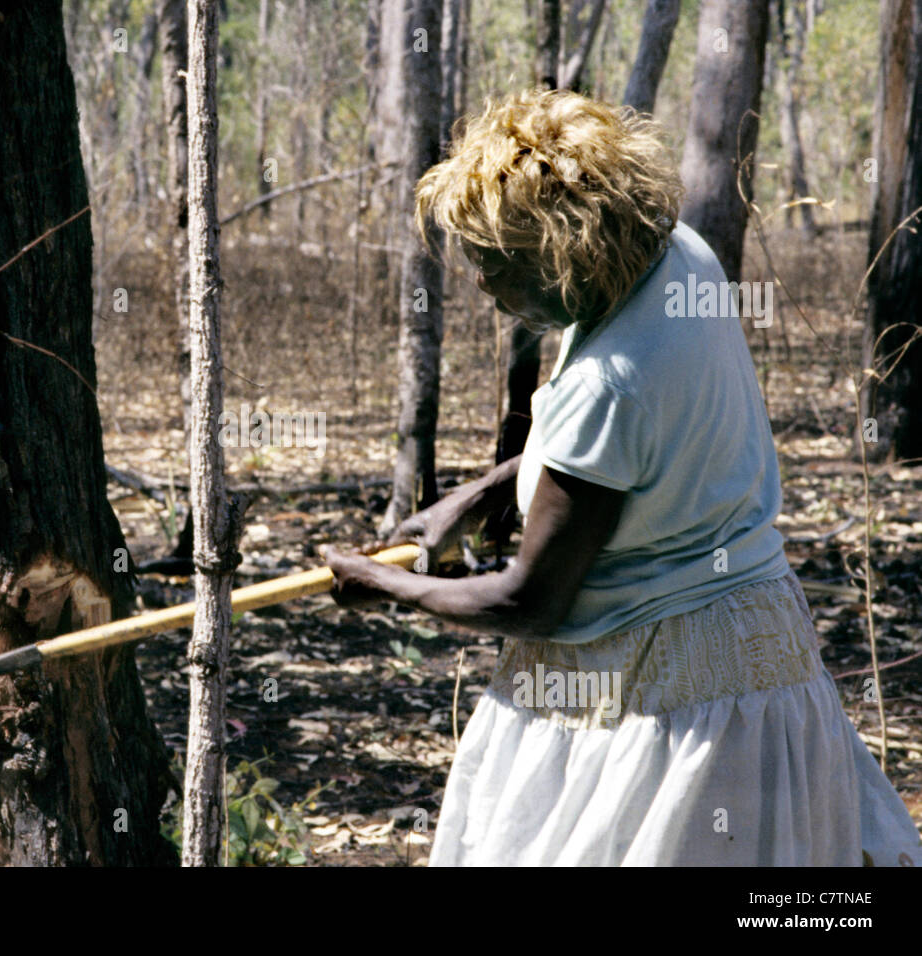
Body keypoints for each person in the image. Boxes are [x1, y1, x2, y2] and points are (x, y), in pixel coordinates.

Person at [323, 89, 921, 866]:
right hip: (758, 654)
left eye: (494, 262)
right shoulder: (679, 257)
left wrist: (386, 585)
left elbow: (525, 599)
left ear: (561, 251)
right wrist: (479, 493)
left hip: (658, 695)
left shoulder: (606, 386)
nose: (481, 284)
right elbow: (631, 450)